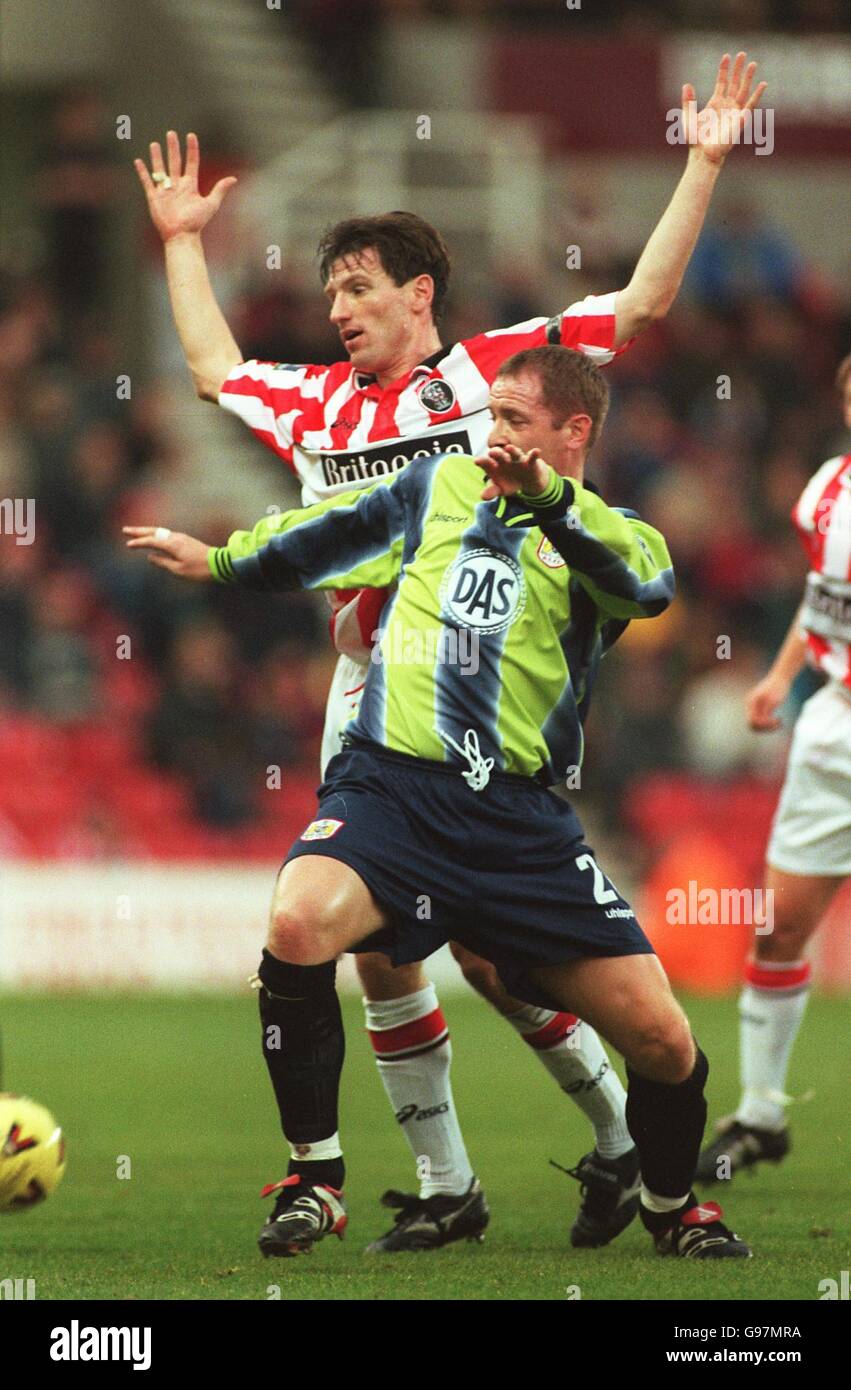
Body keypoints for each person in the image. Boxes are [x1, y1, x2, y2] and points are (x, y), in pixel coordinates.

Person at [134, 50, 765, 1251]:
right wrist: (177, 241)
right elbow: (216, 370)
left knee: (493, 959)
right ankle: (444, 1183)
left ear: (420, 293)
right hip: (369, 693)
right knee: (369, 954)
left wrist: (704, 159)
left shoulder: (491, 379)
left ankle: (623, 1146)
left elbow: (634, 310)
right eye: (329, 293)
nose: (338, 310)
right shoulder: (317, 405)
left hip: (491, 688)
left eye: (359, 289)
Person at [697, 353, 851, 1182]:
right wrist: (781, 674)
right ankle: (760, 1114)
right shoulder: (826, 489)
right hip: (831, 732)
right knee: (780, 927)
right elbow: (822, 595)